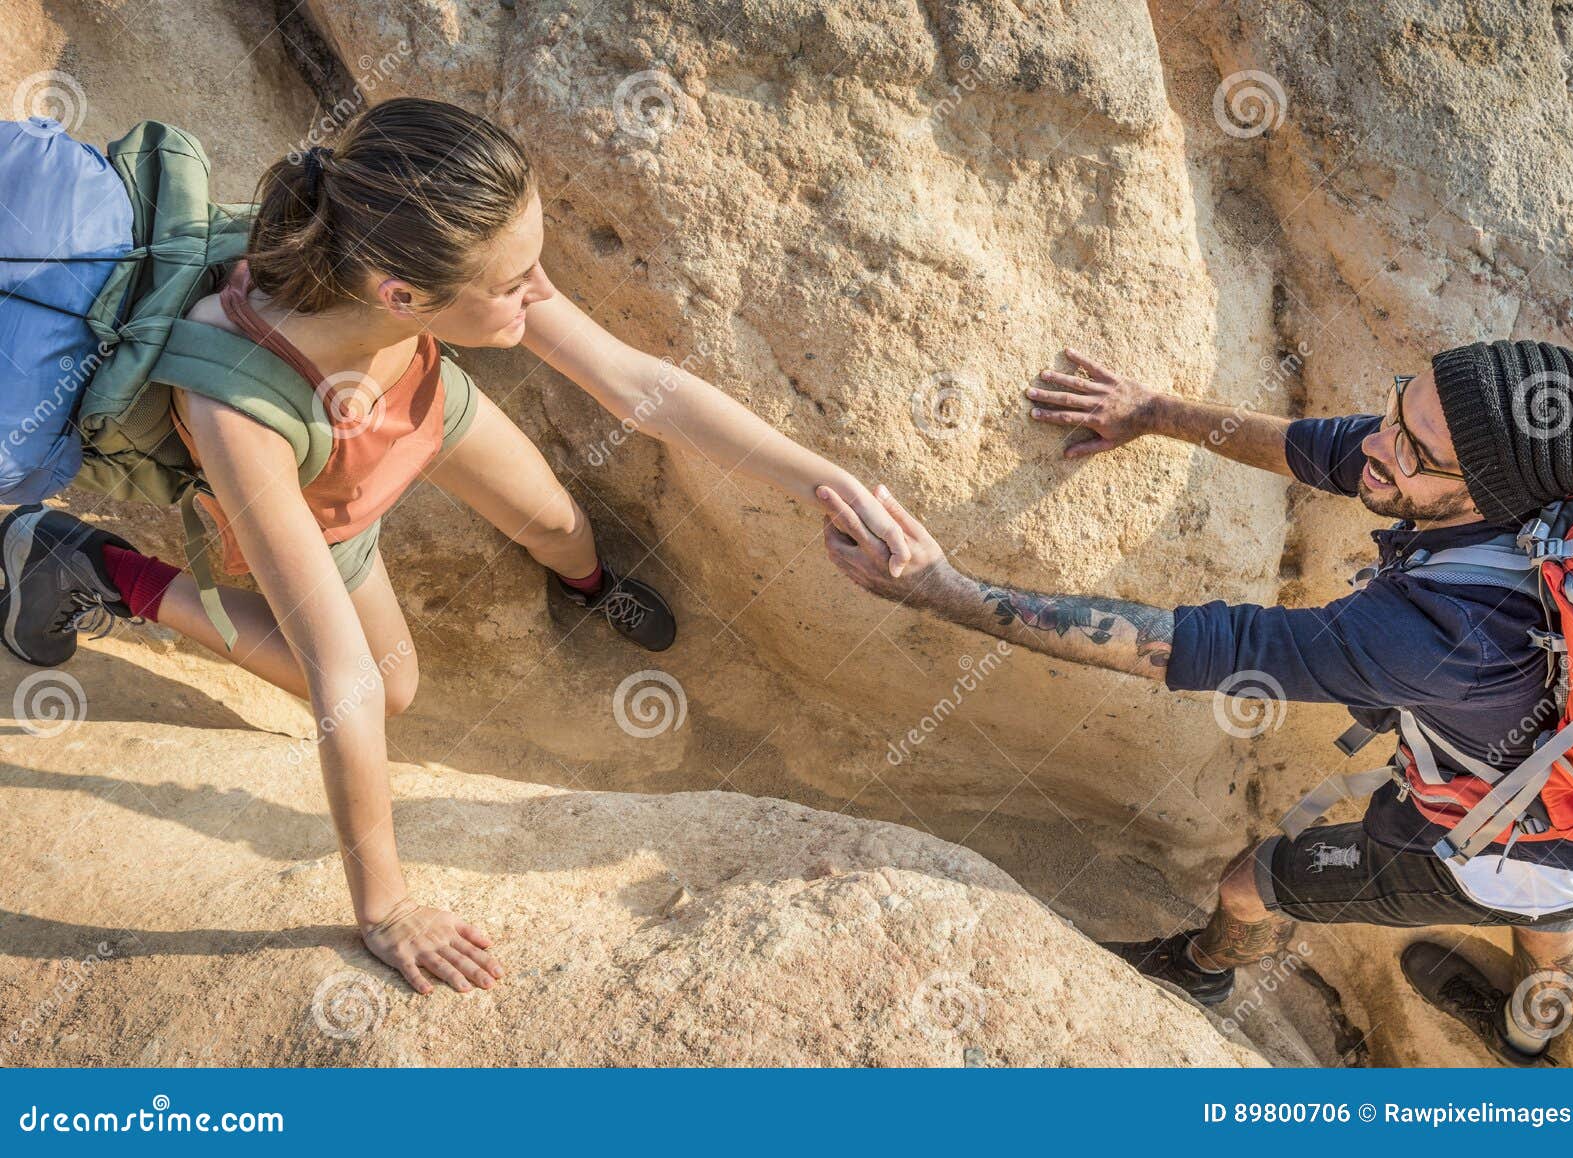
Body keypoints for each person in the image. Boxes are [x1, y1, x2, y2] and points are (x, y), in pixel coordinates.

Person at [0, 97, 908, 996]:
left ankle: (586, 588)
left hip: (414, 405)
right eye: (515, 283)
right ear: (404, 297)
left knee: (557, 525)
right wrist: (387, 911)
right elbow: (339, 676)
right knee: (388, 687)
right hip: (329, 498)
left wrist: (826, 485)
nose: (540, 293)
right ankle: (93, 567)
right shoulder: (237, 414)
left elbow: (636, 385)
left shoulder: (415, 267)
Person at [820, 339, 1573, 1066]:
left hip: (1507, 850)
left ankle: (1201, 972)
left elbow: (1194, 646)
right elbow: (1324, 449)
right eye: (1398, 407)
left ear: (1483, 490)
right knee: (1562, 901)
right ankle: (1535, 1023)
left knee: (1253, 880)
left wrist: (941, 591)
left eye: (1408, 447)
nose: (1376, 443)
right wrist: (1152, 413)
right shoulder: (1549, 473)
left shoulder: (1430, 636)